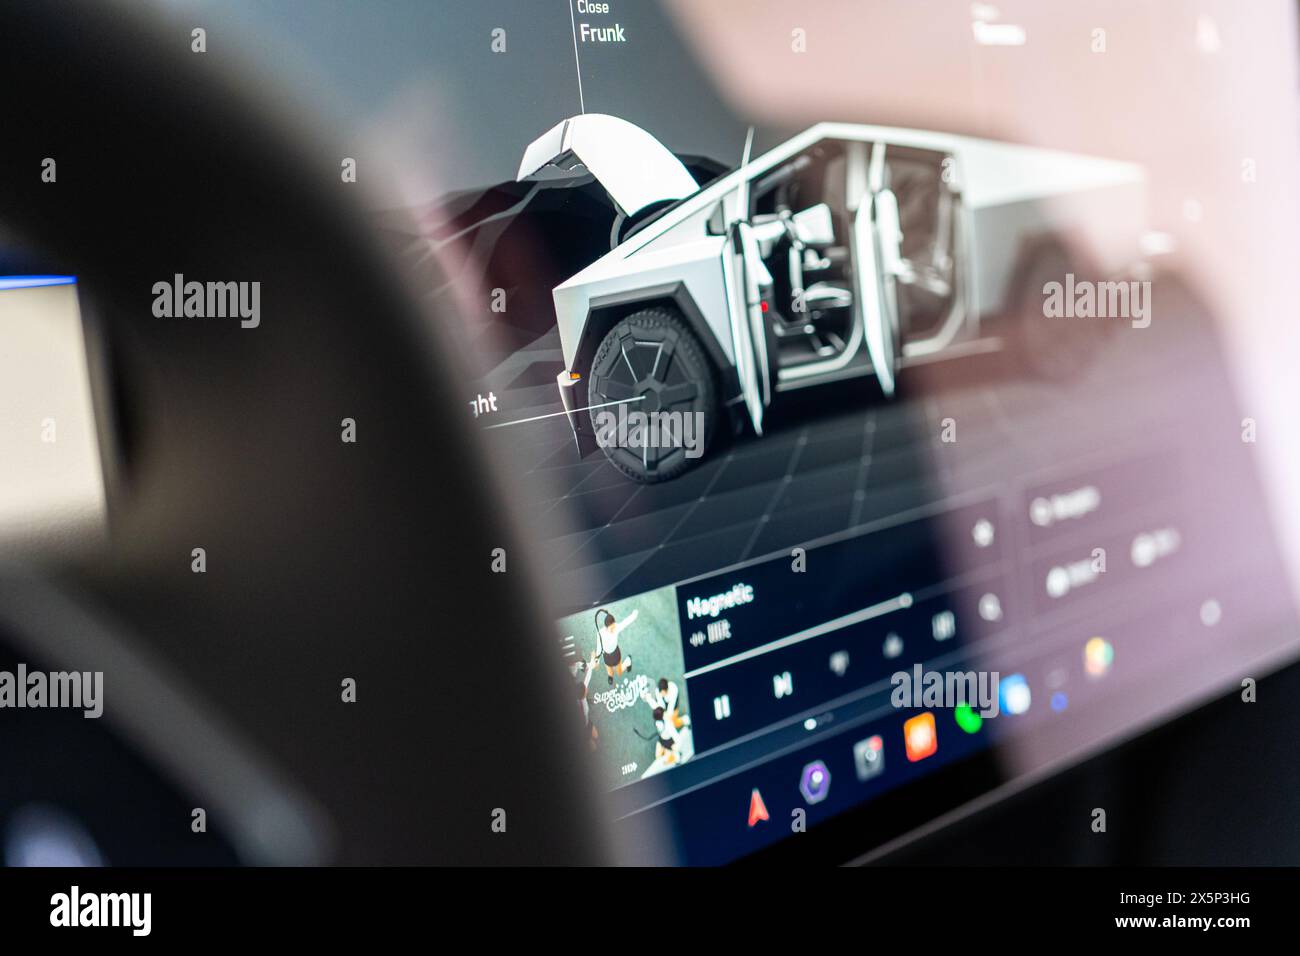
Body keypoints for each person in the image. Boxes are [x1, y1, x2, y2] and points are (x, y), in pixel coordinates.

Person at [595, 607, 638, 685]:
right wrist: (597, 659)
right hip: (606, 655)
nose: (613, 630)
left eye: (614, 626)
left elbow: (625, 622)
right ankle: (610, 676)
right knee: (610, 672)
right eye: (611, 628)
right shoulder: (600, 633)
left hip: (615, 654)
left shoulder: (616, 628)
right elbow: (599, 647)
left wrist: (634, 615)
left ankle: (628, 661)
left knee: (619, 672)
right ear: (606, 627)